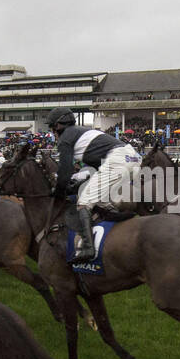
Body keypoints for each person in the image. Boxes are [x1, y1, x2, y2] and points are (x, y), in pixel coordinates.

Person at [47, 106, 142, 262]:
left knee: (84, 202)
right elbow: (97, 171)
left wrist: (59, 191)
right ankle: (118, 226)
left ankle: (88, 248)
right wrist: (75, 185)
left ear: (58, 125)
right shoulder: (81, 132)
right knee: (101, 201)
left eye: (52, 128)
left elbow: (65, 171)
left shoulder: (66, 138)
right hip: (133, 158)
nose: (53, 133)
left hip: (118, 159)